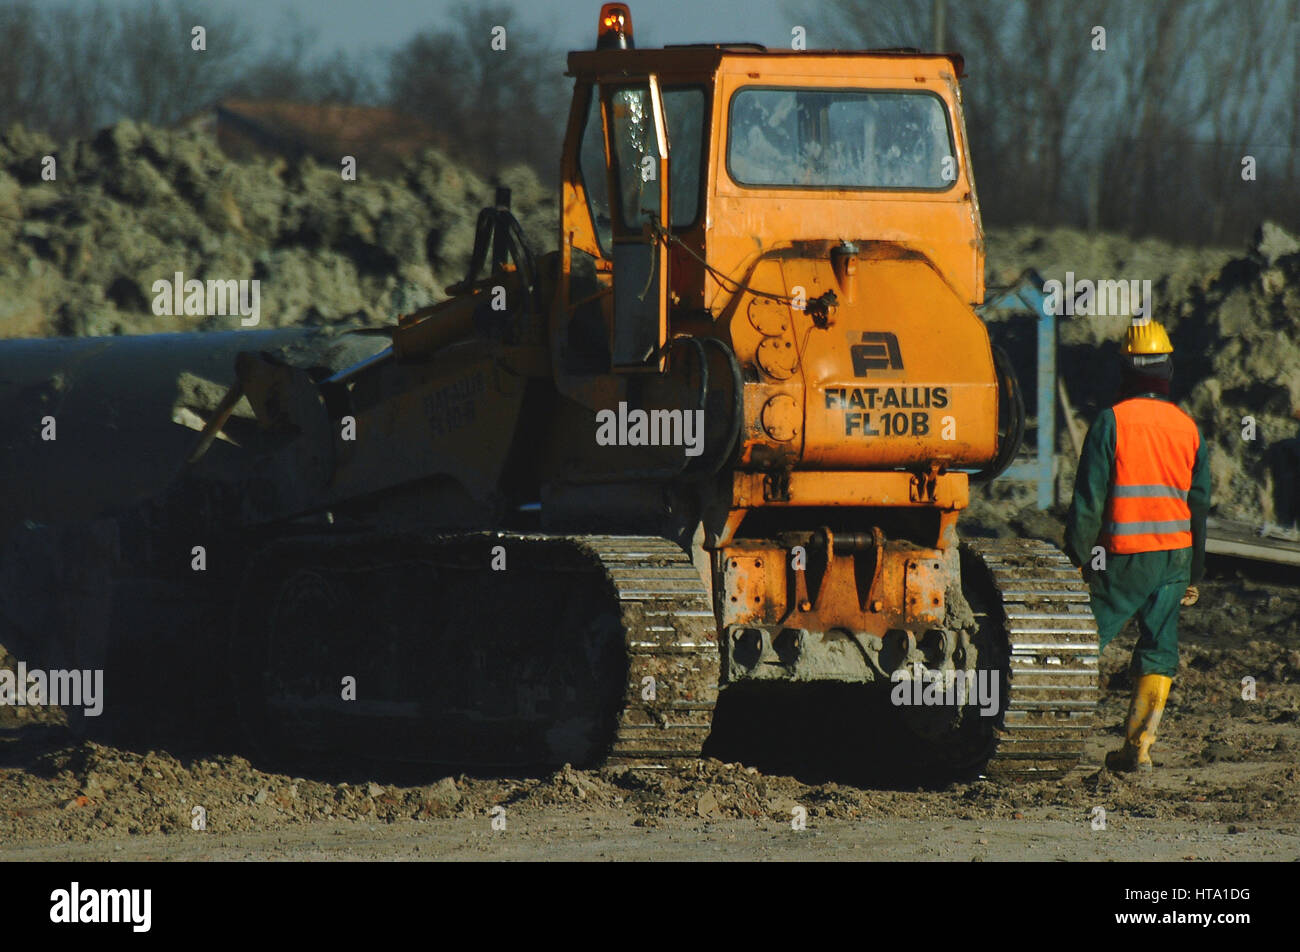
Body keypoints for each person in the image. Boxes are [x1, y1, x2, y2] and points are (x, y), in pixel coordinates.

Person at [1064, 320, 1211, 772]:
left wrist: (1076, 560)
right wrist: (1195, 573)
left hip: (1125, 555)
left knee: (1080, 637)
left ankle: (1050, 725)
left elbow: (1089, 501)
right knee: (1159, 648)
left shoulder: (1112, 422)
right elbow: (1199, 506)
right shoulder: (1188, 428)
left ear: (1125, 370)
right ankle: (1139, 748)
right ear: (1167, 370)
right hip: (1174, 559)